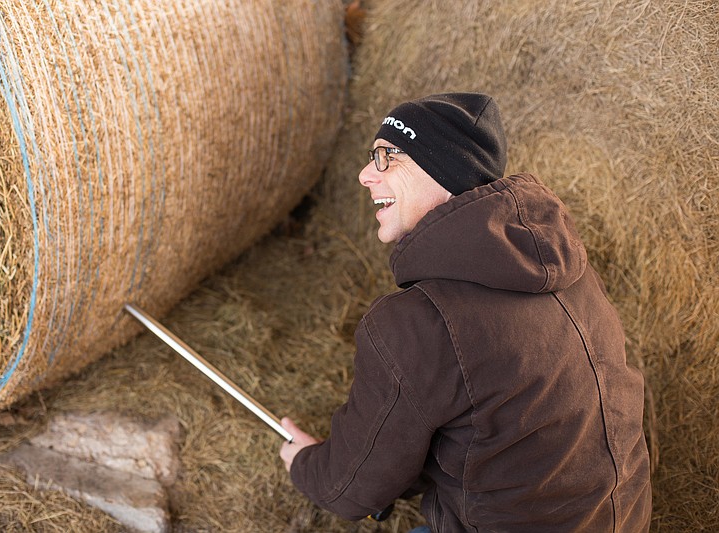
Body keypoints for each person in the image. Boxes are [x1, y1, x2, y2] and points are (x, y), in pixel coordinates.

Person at [278, 92, 652, 532]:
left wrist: (304, 461)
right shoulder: (572, 272)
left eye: (386, 157)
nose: (364, 175)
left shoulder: (416, 324)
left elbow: (346, 489)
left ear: (442, 170)